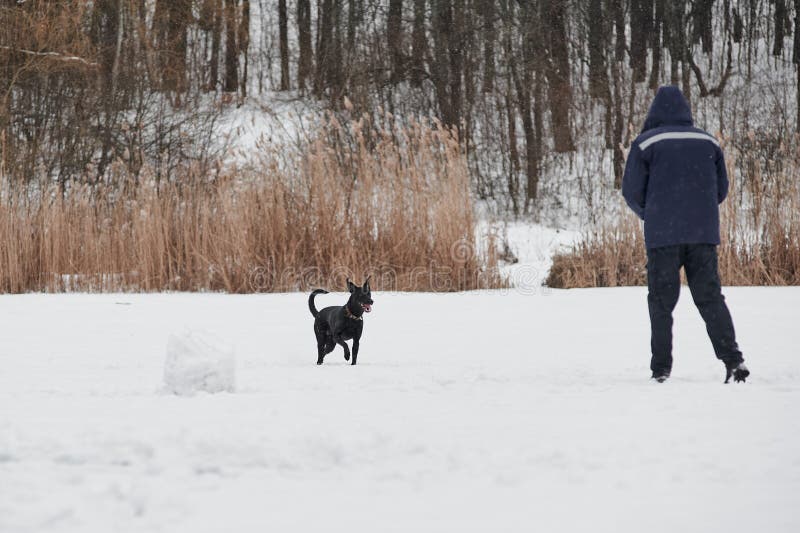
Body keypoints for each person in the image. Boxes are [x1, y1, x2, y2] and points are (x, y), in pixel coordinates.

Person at [622, 85, 749, 384]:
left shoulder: (646, 143)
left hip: (663, 237)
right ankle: (734, 360)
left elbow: (631, 191)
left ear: (655, 111)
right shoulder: (708, 142)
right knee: (709, 297)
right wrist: (699, 211)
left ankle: (661, 369)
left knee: (661, 303)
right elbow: (721, 189)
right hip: (702, 235)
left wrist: (651, 213)